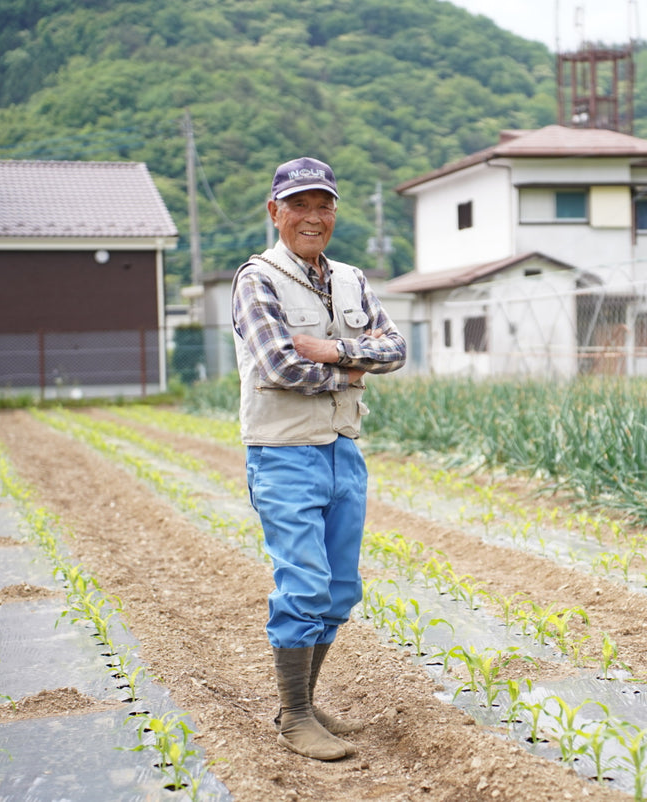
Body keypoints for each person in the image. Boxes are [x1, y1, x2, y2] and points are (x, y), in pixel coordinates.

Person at [230, 156, 407, 761]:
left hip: (342, 452)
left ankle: (299, 704)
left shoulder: (352, 279)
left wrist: (332, 349)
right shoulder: (257, 279)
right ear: (274, 211)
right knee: (302, 583)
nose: (313, 217)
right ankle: (295, 718)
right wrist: (352, 371)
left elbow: (398, 348)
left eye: (323, 205)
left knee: (337, 588)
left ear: (334, 211)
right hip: (282, 453)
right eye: (299, 205)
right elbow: (279, 366)